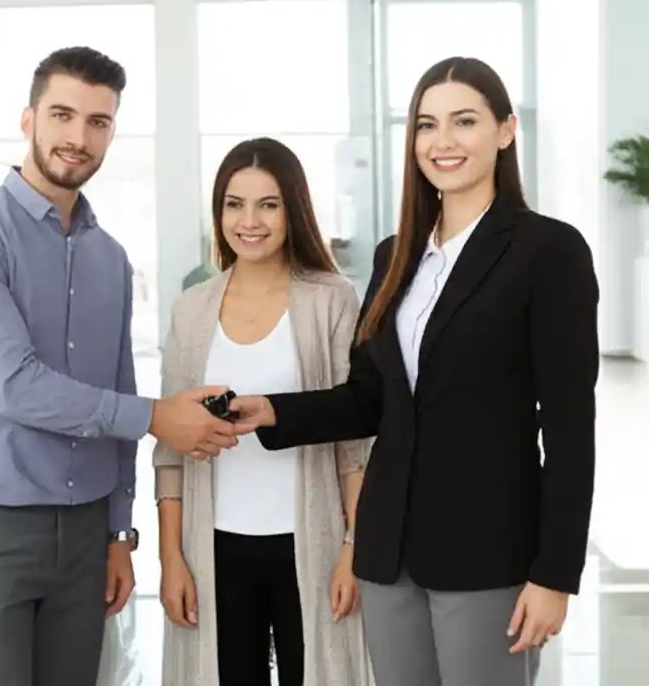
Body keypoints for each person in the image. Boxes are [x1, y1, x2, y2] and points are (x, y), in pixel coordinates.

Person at [229, 56, 600, 686]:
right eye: (427, 126)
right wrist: (273, 410)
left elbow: (570, 431)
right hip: (388, 550)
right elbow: (374, 399)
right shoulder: (393, 256)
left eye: (465, 121)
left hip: (489, 549)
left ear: (506, 130)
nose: (443, 141)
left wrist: (555, 574)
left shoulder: (548, 250)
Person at [0, 45, 241, 686]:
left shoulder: (110, 258)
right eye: (63, 115)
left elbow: (114, 385)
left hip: (87, 529)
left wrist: (120, 531)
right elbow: (17, 387)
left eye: (98, 122)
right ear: (28, 119)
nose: (78, 137)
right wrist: (157, 418)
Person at [154, 137, 374, 686]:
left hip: (311, 544)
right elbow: (169, 449)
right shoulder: (192, 310)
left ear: (293, 209)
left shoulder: (331, 299)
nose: (249, 220)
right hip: (215, 549)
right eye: (234, 204)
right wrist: (171, 559)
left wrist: (353, 548)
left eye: (268, 204)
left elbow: (354, 440)